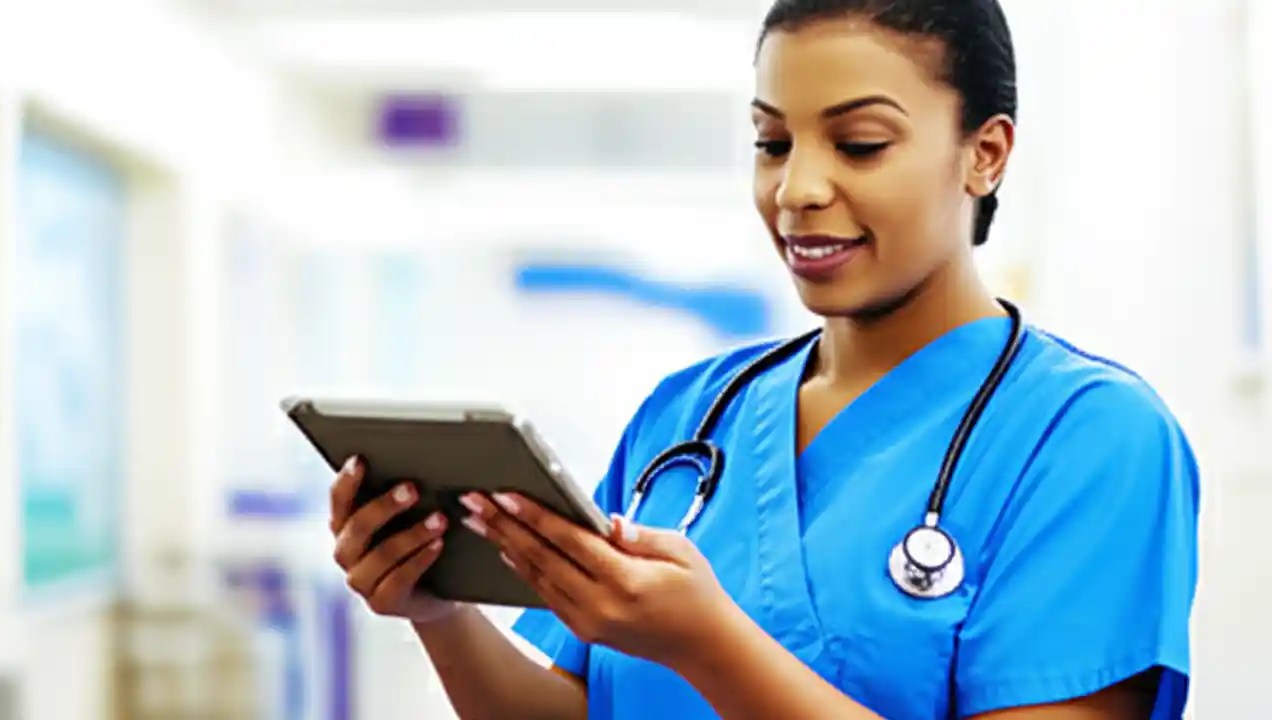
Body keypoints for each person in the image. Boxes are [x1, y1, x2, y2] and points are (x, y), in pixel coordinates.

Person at [326, 0, 1200, 718]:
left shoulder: (1090, 439)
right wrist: (438, 612)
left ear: (985, 153)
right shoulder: (689, 415)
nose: (797, 190)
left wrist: (707, 645)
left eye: (859, 144)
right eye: (773, 143)